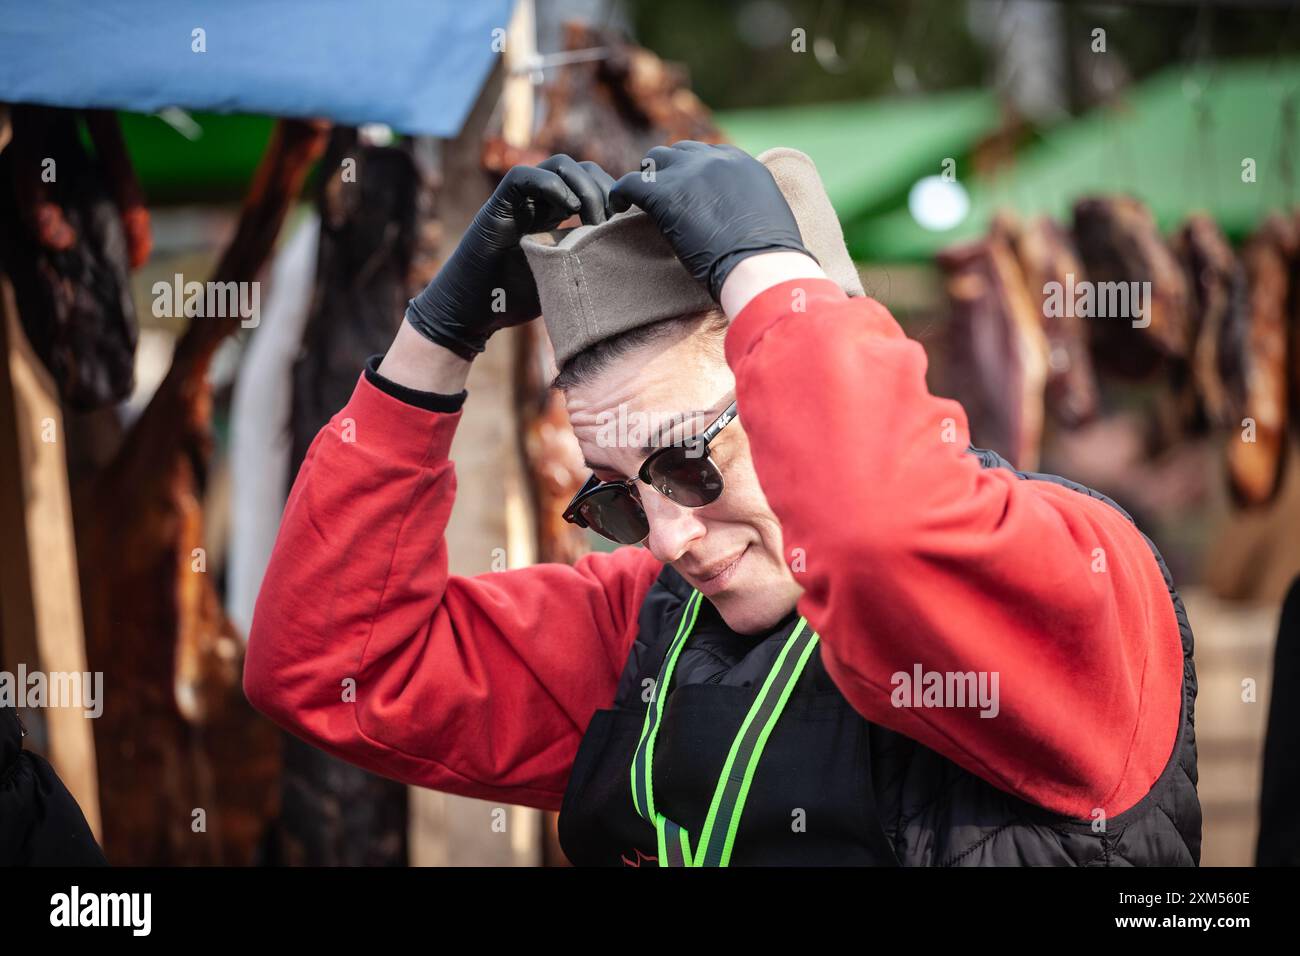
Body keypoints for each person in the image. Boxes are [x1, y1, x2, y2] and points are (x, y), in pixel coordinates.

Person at [245, 144, 1200, 866]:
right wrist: (427, 352)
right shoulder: (641, 633)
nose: (670, 541)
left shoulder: (1077, 568)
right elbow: (334, 665)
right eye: (617, 497)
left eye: (692, 462)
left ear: (803, 388)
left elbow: (878, 542)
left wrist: (773, 279)